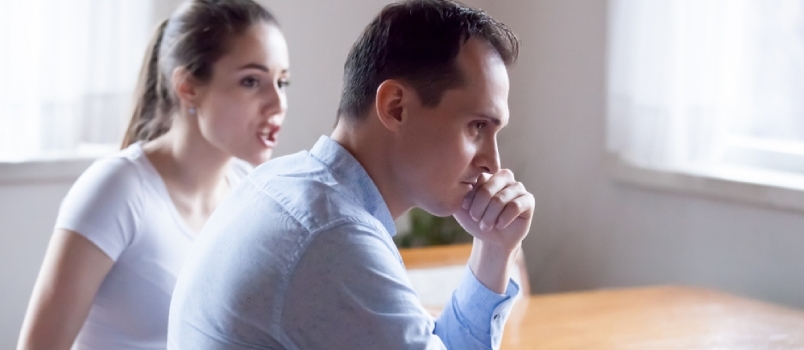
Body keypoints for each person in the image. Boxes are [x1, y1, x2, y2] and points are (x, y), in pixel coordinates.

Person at [168, 0, 532, 349]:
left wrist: (493, 249)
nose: (492, 163)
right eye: (476, 126)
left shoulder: (282, 182)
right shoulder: (333, 238)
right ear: (396, 107)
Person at [16, 0, 290, 349]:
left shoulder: (247, 190)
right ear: (188, 86)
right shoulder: (118, 190)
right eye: (251, 81)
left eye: (283, 82)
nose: (278, 103)